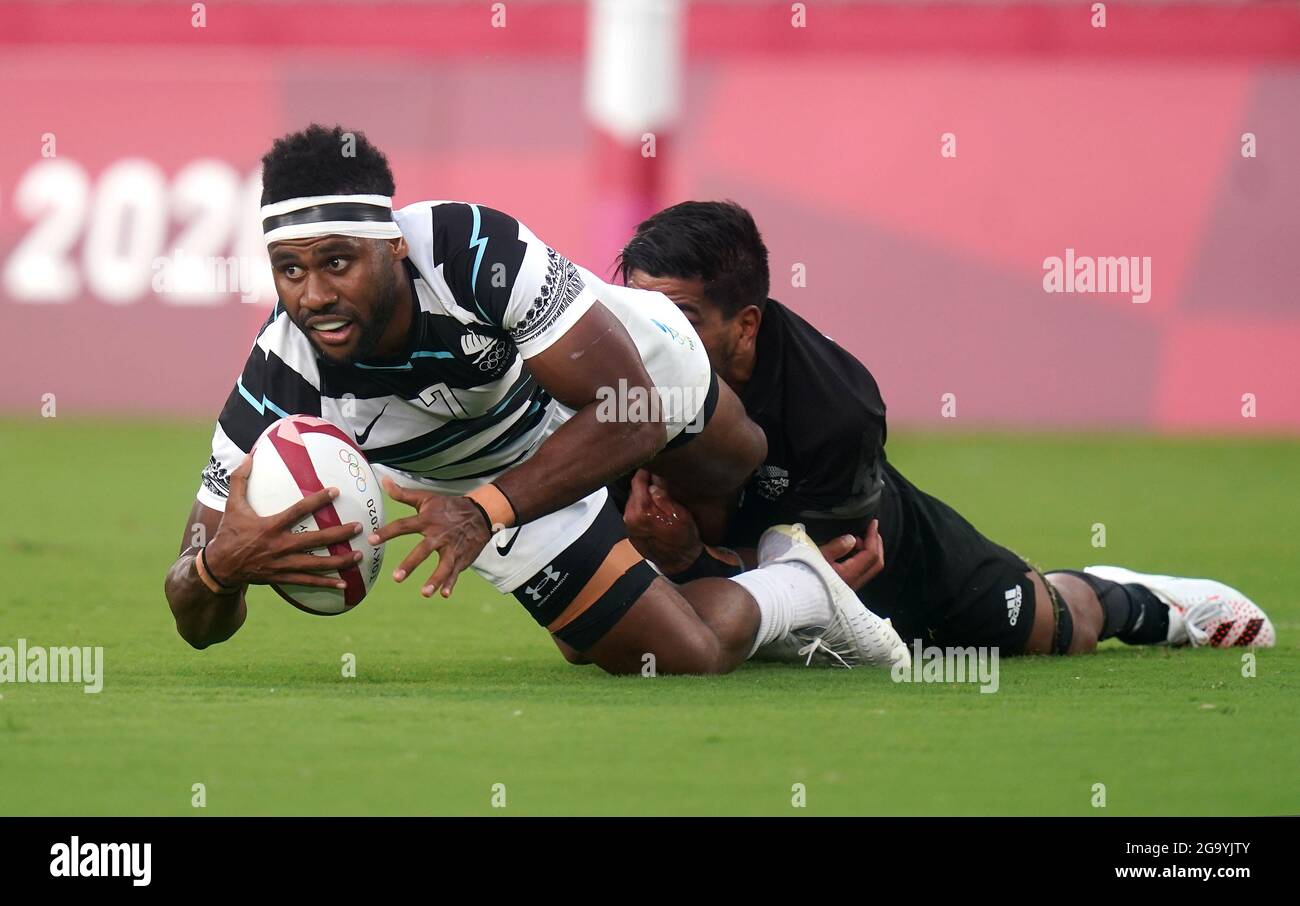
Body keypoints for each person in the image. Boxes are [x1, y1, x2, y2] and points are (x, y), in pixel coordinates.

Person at [163, 125, 910, 675]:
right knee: (684, 658)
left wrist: (483, 512)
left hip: (616, 368)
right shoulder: (278, 376)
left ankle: (731, 547)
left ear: (391, 244)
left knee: (735, 461)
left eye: (336, 262)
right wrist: (218, 569)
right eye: (289, 271)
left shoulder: (470, 251)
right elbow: (195, 620)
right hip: (485, 473)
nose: (314, 295)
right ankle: (802, 589)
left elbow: (631, 409)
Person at [614, 200, 1275, 659]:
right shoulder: (609, 378)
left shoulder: (835, 407)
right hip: (734, 584)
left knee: (1050, 628)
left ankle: (1138, 601)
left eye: (681, 317)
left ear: (747, 325)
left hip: (895, 569)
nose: (655, 337)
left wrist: (684, 560)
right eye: (641, 312)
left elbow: (828, 572)